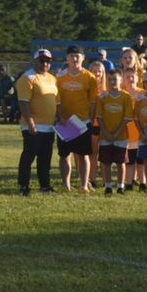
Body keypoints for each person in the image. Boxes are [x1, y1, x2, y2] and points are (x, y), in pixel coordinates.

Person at [16, 49, 60, 196]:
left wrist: (59, 117)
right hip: (33, 125)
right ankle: (23, 185)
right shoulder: (27, 78)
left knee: (45, 158)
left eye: (48, 61)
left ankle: (45, 185)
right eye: (42, 60)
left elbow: (55, 101)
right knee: (29, 156)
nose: (45, 63)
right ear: (34, 61)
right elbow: (23, 102)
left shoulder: (52, 78)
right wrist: (30, 122)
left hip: (49, 127)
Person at [55, 45, 98, 192]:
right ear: (67, 58)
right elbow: (57, 100)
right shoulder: (60, 77)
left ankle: (83, 185)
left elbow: (93, 101)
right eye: (71, 56)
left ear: (83, 58)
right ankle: (66, 185)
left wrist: (91, 119)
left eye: (77, 56)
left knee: (83, 155)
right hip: (64, 122)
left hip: (82, 122)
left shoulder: (89, 77)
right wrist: (60, 117)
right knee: (64, 155)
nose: (74, 59)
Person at [95, 68, 133, 195]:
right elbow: (99, 117)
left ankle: (120, 186)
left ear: (121, 80)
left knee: (120, 162)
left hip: (121, 136)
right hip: (105, 136)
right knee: (106, 162)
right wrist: (105, 132)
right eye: (109, 80)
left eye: (115, 79)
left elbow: (127, 118)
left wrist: (116, 133)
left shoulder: (126, 97)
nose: (112, 82)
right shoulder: (102, 97)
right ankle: (108, 186)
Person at [121, 67, 145, 190]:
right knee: (129, 160)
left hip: (140, 132)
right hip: (126, 133)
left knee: (141, 160)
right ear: (123, 80)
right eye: (127, 77)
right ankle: (129, 183)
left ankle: (142, 183)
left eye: (132, 76)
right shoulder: (121, 94)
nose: (130, 79)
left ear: (138, 78)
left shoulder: (143, 94)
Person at [87, 60, 107, 177]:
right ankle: (92, 178)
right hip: (92, 124)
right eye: (94, 71)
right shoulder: (87, 87)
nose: (97, 73)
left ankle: (106, 181)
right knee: (93, 153)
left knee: (104, 154)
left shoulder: (107, 88)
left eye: (99, 71)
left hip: (105, 126)